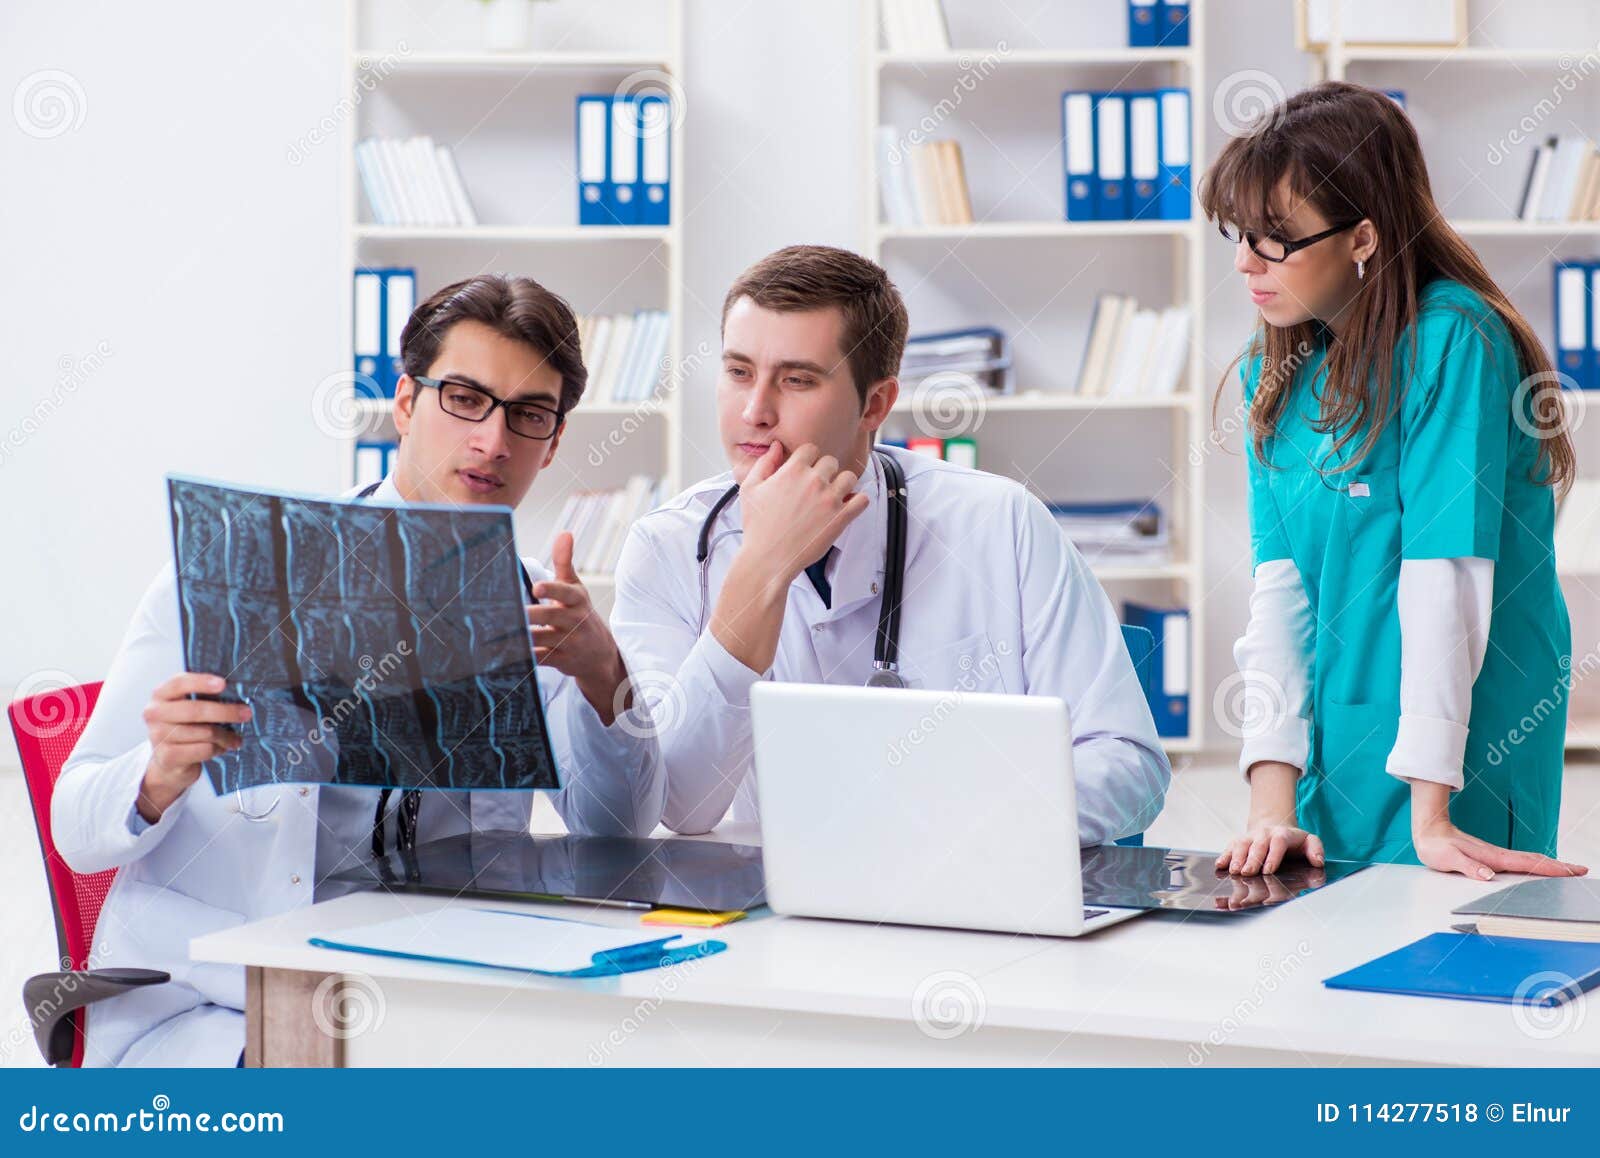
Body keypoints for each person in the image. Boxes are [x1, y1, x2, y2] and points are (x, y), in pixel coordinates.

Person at [53, 274, 665, 1066]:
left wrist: (599, 671)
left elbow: (616, 833)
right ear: (406, 404)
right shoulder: (241, 573)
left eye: (529, 414)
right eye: (465, 398)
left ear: (552, 444)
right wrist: (159, 771)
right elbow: (78, 828)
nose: (494, 441)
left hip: (425, 999)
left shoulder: (542, 612)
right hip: (220, 1008)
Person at [610, 244, 1169, 840]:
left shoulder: (1001, 523)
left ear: (875, 403)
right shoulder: (666, 548)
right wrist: (761, 572)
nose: (755, 410)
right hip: (772, 913)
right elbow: (681, 804)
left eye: (796, 380)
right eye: (738, 372)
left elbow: (1128, 761)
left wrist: (960, 832)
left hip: (973, 896)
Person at [1203, 82, 1587, 880]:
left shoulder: (1454, 340)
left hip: (1463, 745)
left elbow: (1445, 578)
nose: (1245, 262)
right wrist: (1271, 801)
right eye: (1238, 234)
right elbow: (1281, 594)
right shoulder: (1271, 372)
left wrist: (1433, 813)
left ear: (1364, 237)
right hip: (1342, 735)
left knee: (1440, 975)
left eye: (1275, 239)